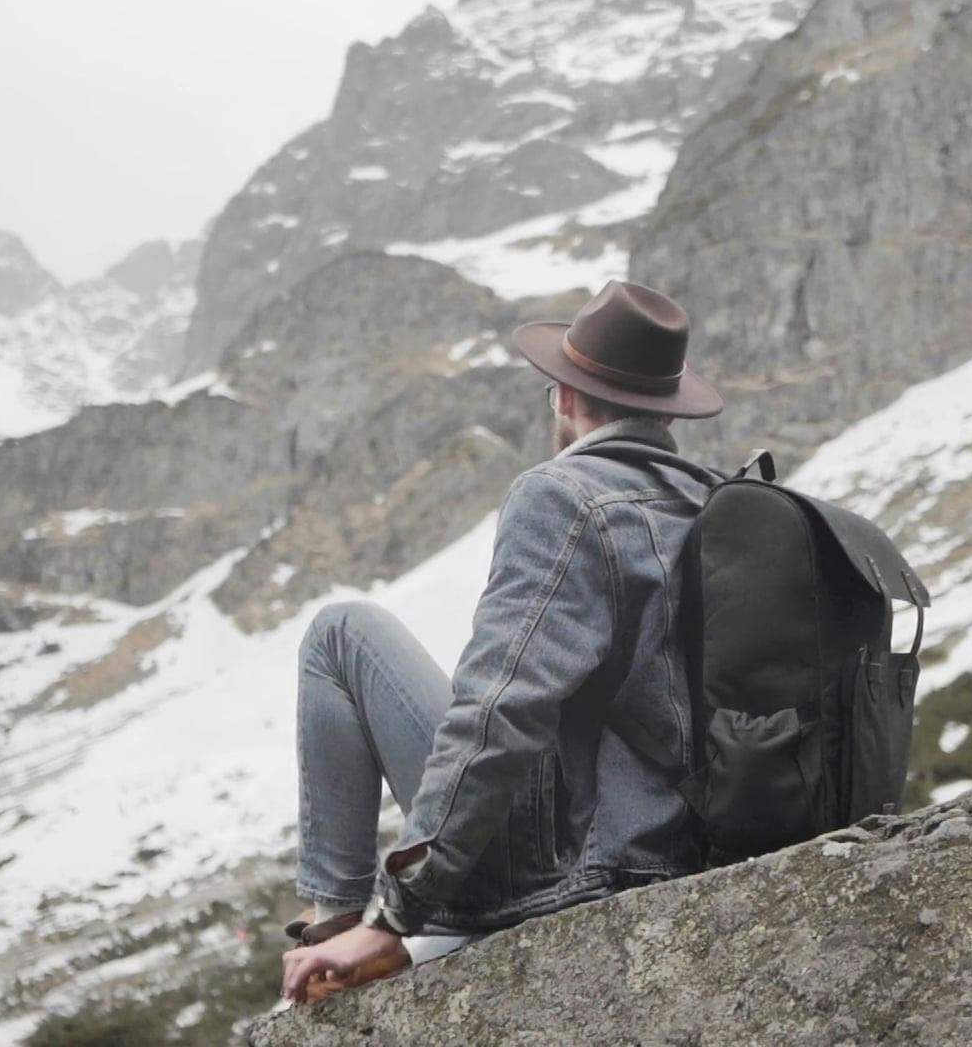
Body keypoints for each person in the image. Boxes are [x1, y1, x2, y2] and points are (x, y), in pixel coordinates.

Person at [279, 280, 726, 1004]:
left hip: (573, 865)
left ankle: (333, 924)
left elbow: (499, 709)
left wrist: (396, 915)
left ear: (565, 396)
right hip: (681, 844)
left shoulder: (564, 496)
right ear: (664, 407)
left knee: (341, 634)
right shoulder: (712, 499)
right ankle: (342, 918)